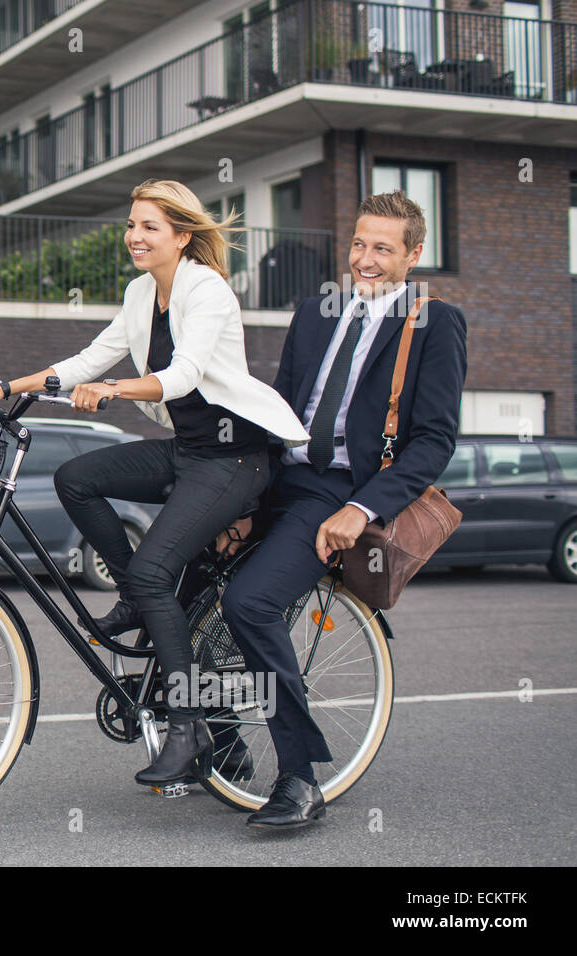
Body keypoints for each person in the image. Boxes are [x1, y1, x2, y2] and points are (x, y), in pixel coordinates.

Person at [0, 180, 309, 786]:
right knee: (77, 477)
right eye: (131, 225)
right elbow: (84, 361)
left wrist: (114, 391)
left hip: (234, 459)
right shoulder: (138, 294)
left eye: (149, 226)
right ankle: (136, 596)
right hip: (188, 452)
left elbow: (182, 377)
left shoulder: (206, 289)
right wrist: (8, 387)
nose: (134, 236)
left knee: (160, 572)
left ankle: (185, 730)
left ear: (182, 237)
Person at [217, 190, 468, 829]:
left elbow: (434, 440)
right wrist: (238, 491)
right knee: (175, 567)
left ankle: (300, 779)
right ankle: (211, 735)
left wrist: (361, 506)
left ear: (414, 255)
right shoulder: (315, 313)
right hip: (278, 478)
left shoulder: (435, 323)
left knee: (250, 601)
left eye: (383, 248)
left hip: (336, 492)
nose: (366, 259)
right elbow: (282, 408)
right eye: (359, 244)